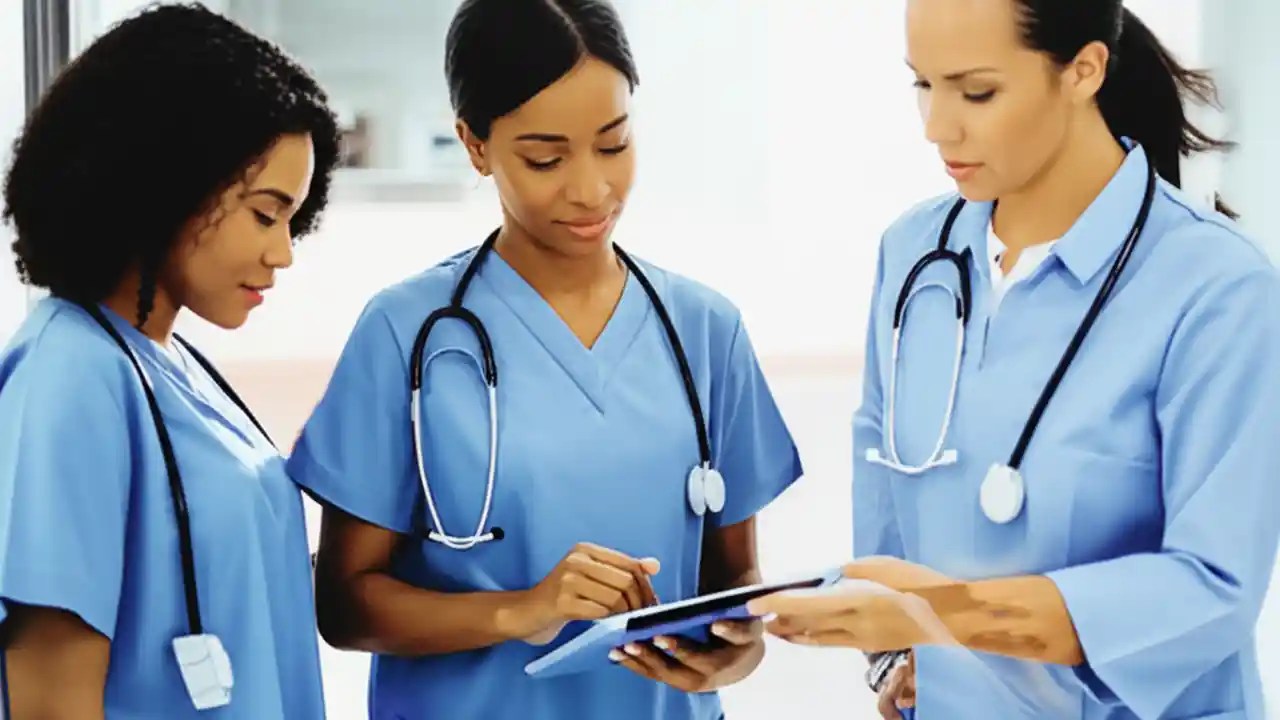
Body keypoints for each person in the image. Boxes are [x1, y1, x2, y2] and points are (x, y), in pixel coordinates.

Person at [748, 0, 1280, 718]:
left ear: (1084, 70)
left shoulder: (1215, 287)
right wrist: (898, 659)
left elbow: (1212, 588)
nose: (937, 126)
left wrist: (936, 614)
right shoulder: (913, 259)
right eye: (923, 85)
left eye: (977, 92)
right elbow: (887, 512)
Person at [284, 0, 802, 718]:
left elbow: (735, 582)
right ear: (474, 145)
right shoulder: (405, 334)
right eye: (545, 158)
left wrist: (736, 651)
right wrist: (522, 612)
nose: (591, 190)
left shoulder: (705, 331)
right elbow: (344, 606)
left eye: (614, 145)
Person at [0, 4, 340, 717]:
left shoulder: (175, 367)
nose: (281, 253)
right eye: (264, 213)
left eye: (292, 220)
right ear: (166, 183)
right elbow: (51, 703)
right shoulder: (71, 375)